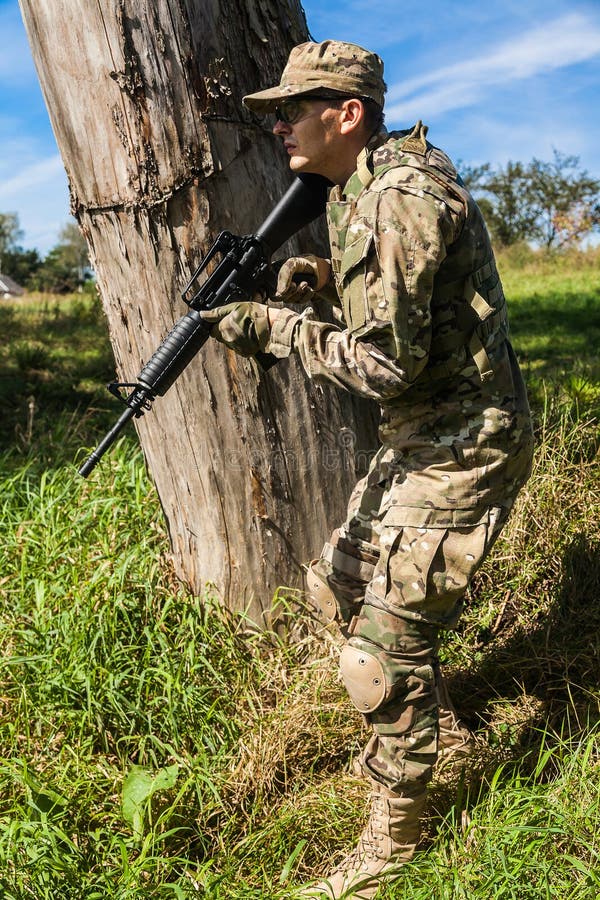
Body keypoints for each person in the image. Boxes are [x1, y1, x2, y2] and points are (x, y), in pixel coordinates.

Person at [201, 39, 534, 899]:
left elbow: (387, 366)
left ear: (346, 114)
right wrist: (316, 279)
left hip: (465, 443)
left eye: (293, 109)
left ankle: (394, 845)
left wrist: (271, 328)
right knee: (339, 586)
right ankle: (432, 727)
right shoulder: (367, 186)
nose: (278, 126)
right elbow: (401, 304)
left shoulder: (400, 197)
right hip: (425, 433)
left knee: (376, 655)